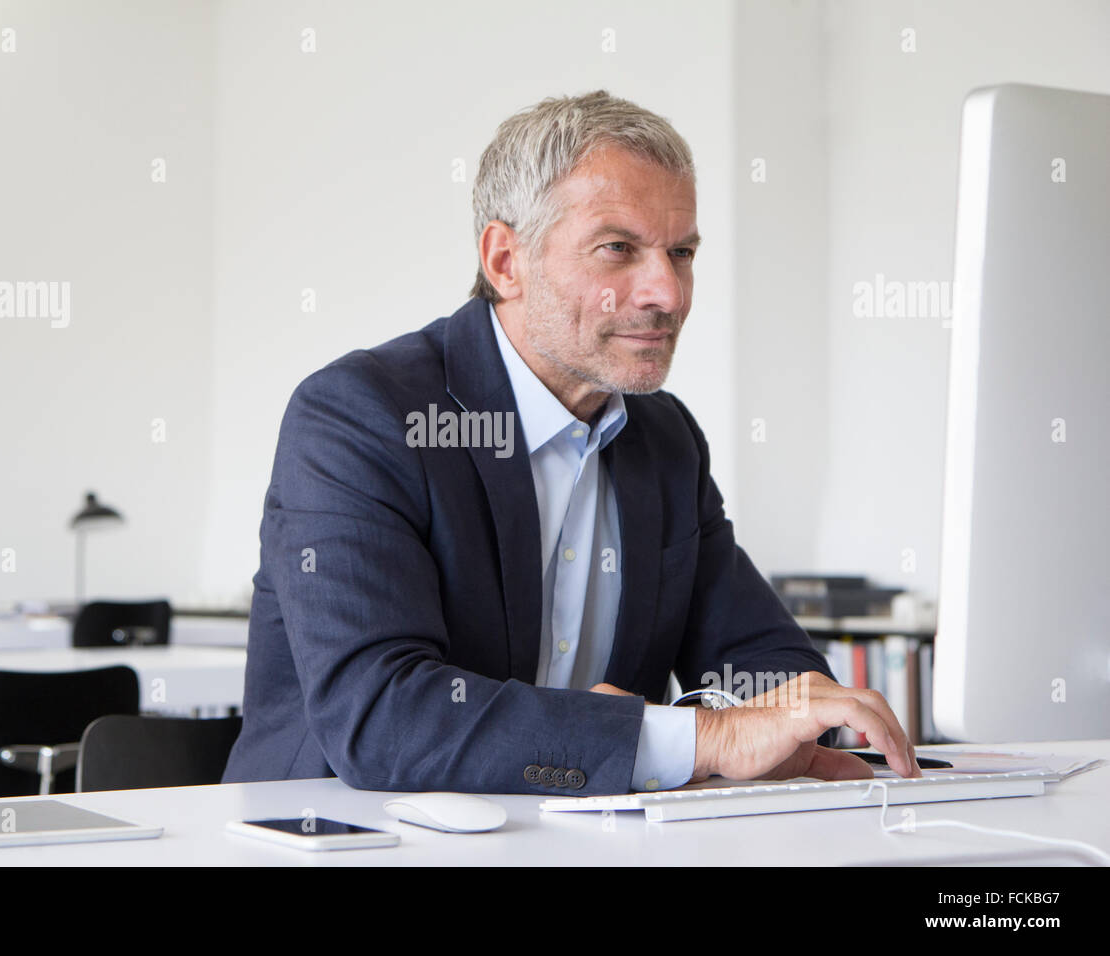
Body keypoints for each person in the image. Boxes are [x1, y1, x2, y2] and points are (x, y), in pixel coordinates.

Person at [222, 90, 920, 794]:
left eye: (681, 252)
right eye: (619, 249)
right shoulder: (360, 415)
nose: (668, 293)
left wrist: (729, 726)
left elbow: (768, 669)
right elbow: (384, 718)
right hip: (350, 839)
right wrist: (699, 737)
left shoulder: (664, 438)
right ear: (505, 260)